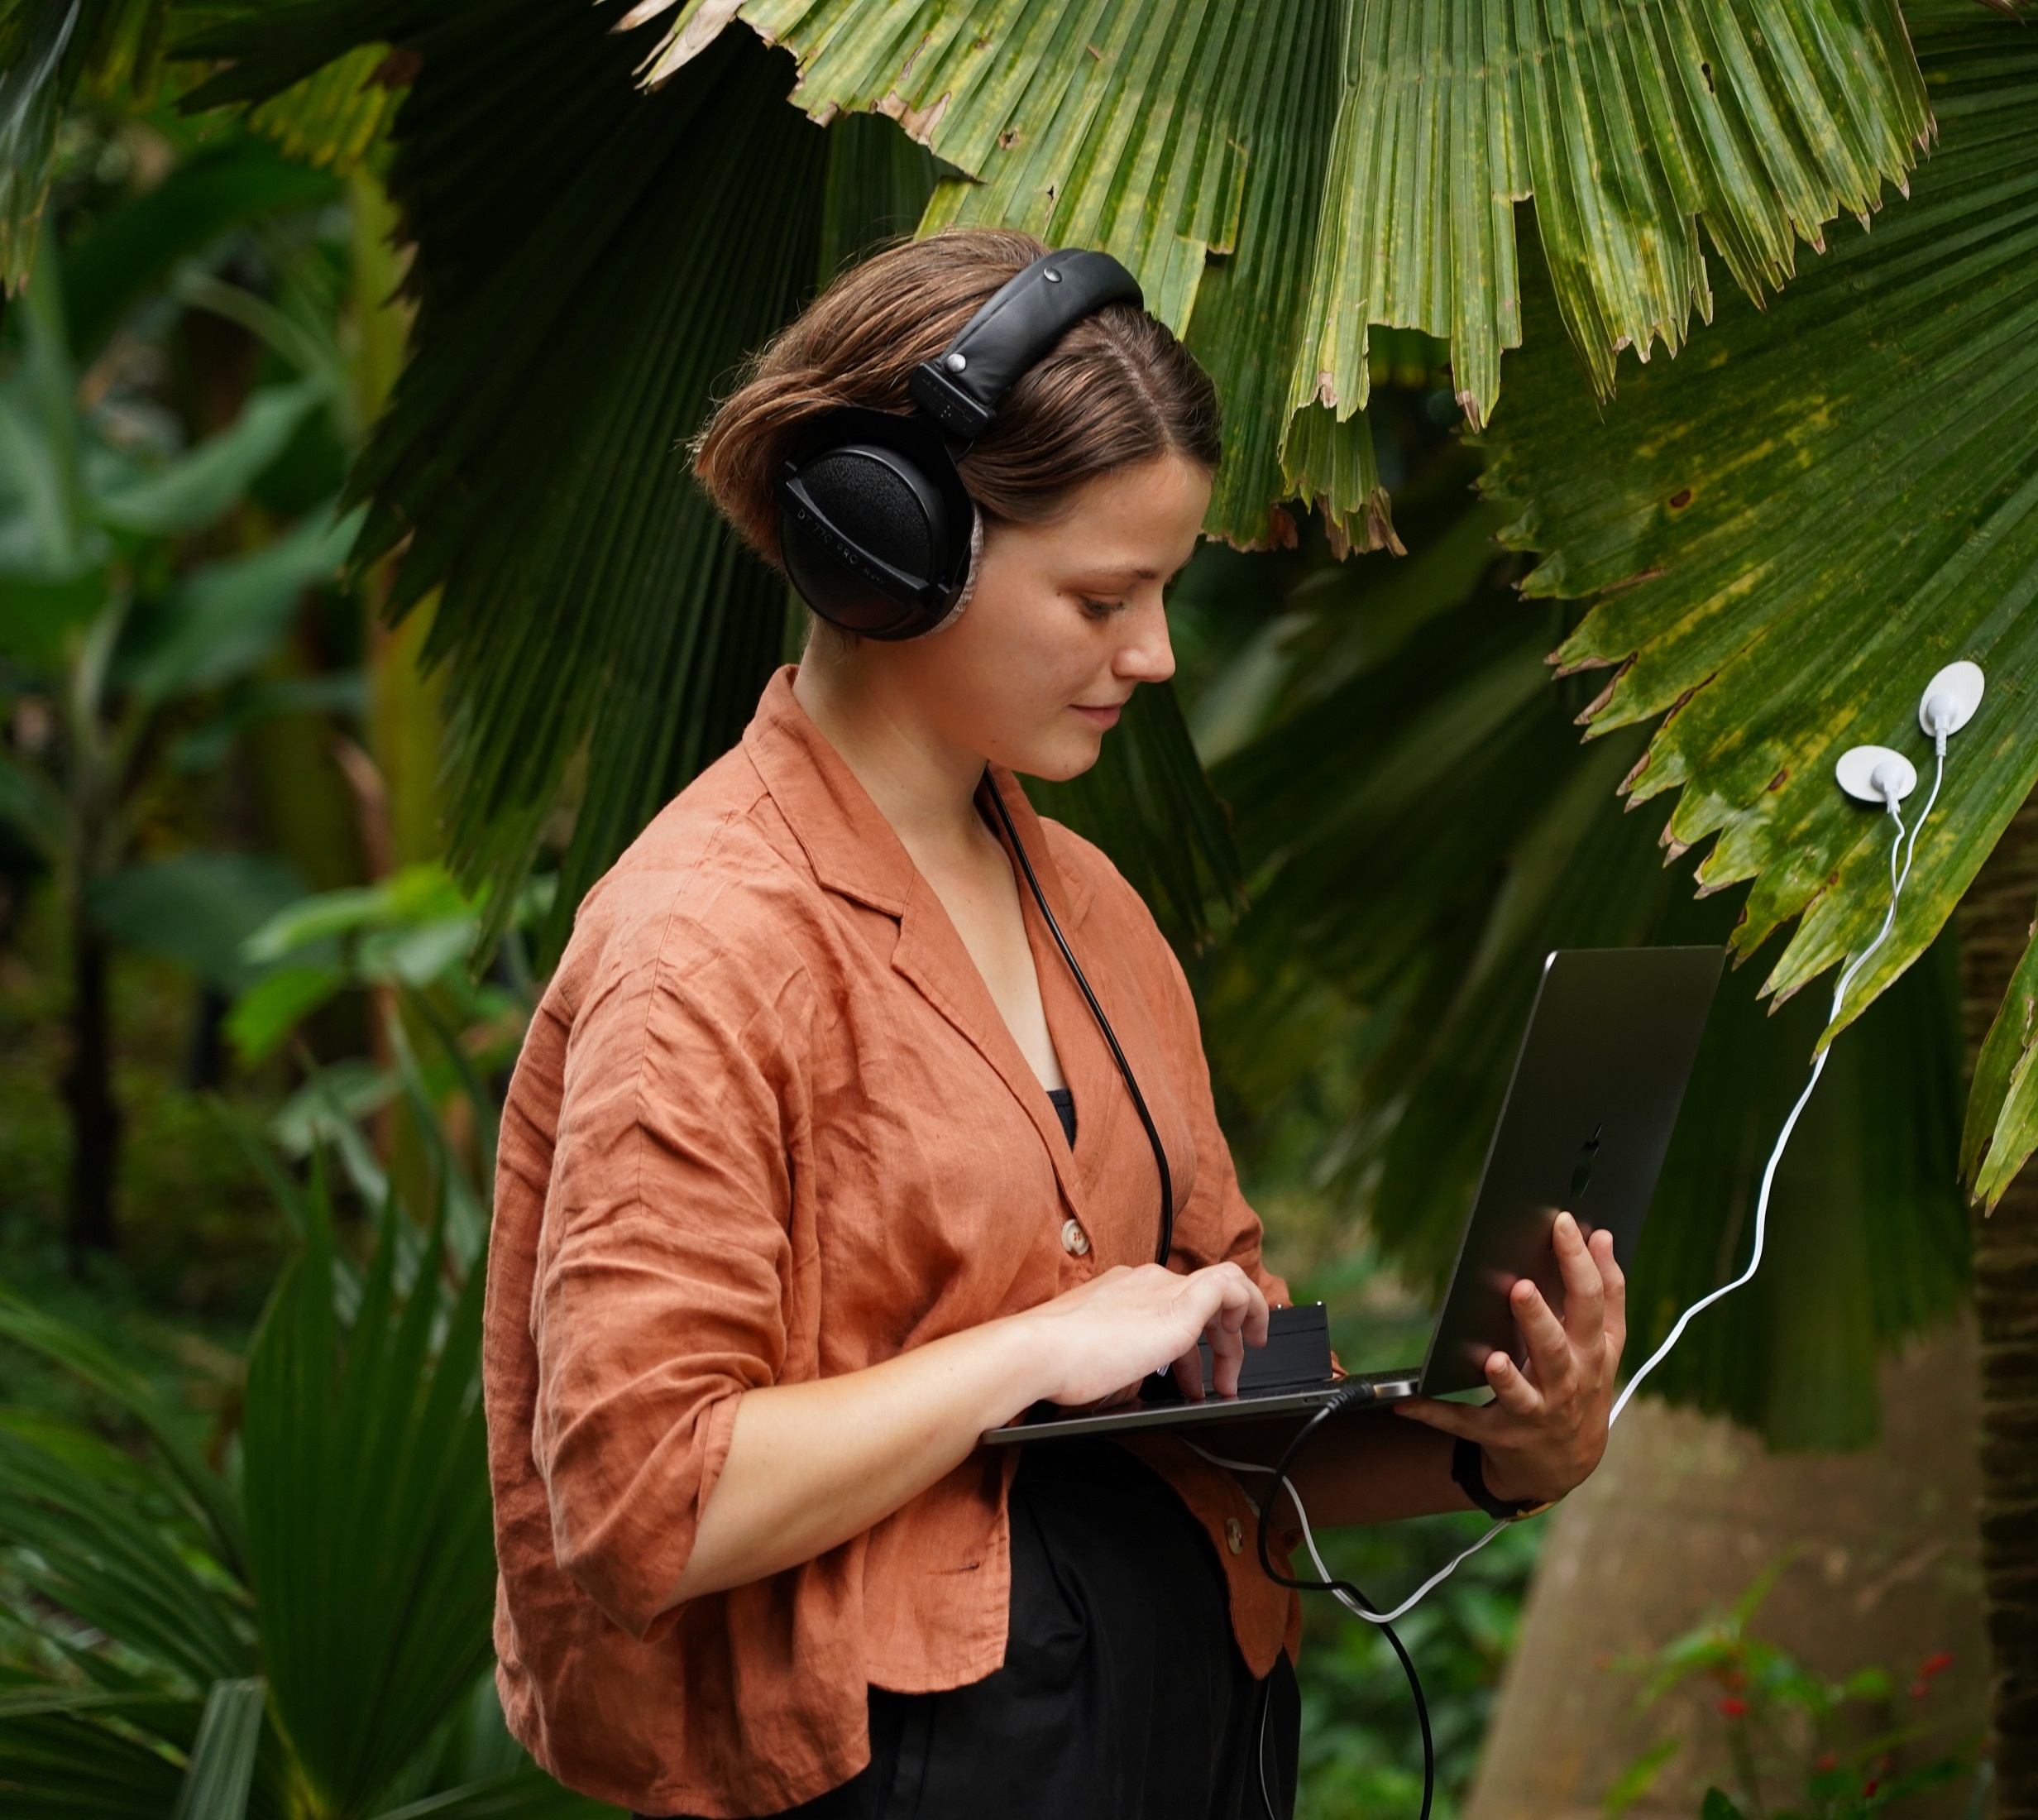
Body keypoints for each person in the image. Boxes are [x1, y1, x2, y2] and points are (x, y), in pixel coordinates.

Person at [481, 228, 1625, 1820]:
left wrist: (1487, 1449)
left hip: (1195, 1742)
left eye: (1162, 593)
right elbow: (642, 1505)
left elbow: (1218, 1404)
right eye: (1103, 597)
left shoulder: (1096, 911)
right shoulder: (705, 945)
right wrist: (1031, 1350)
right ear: (890, 548)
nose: (1152, 654)